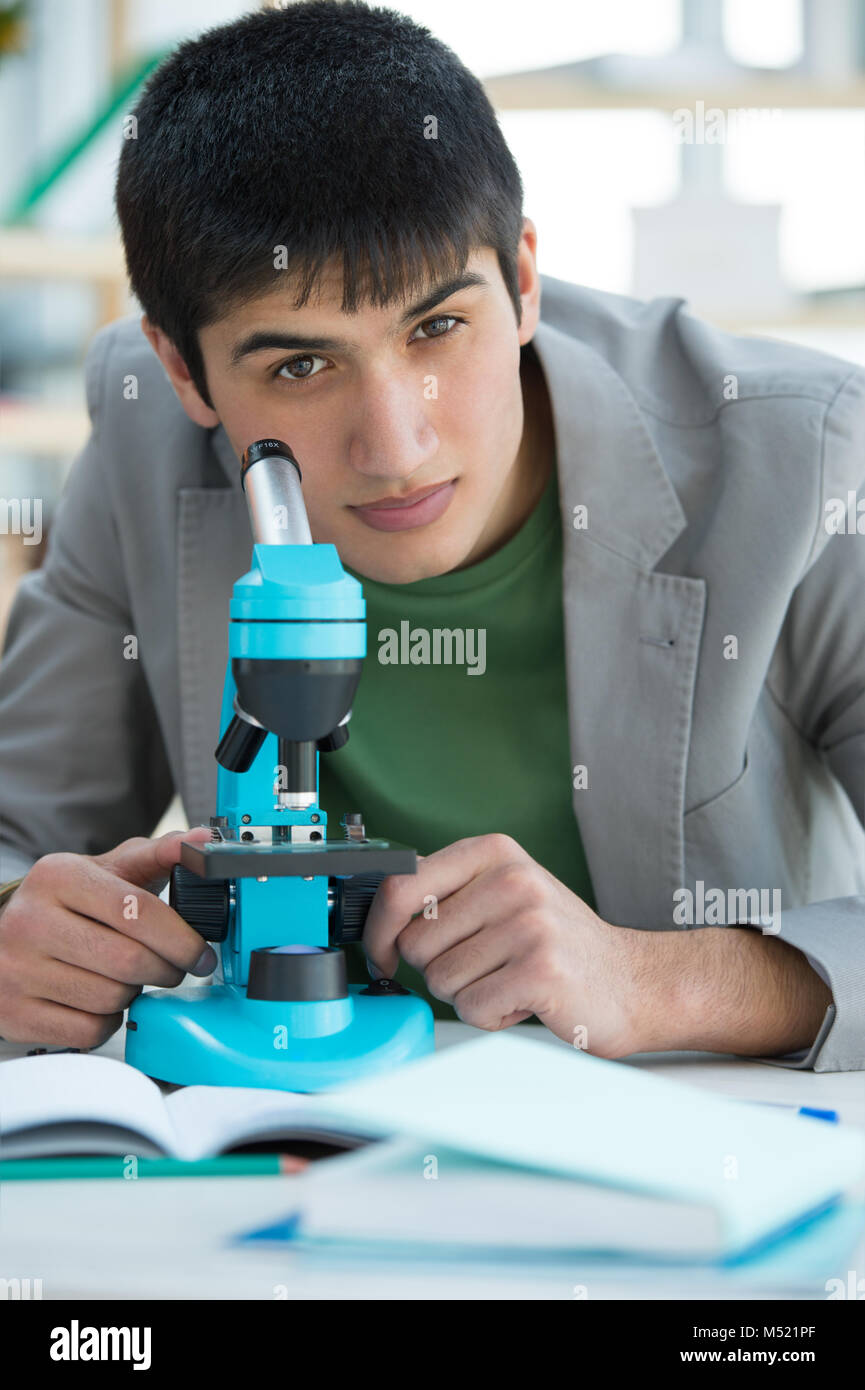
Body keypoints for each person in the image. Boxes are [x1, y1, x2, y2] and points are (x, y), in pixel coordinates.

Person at [0, 1, 862, 1069]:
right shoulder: (141, 432)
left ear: (524, 278)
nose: (396, 447)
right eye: (300, 367)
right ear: (184, 371)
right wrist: (18, 934)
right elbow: (21, 829)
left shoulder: (804, 459)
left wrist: (651, 977)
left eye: (437, 327)